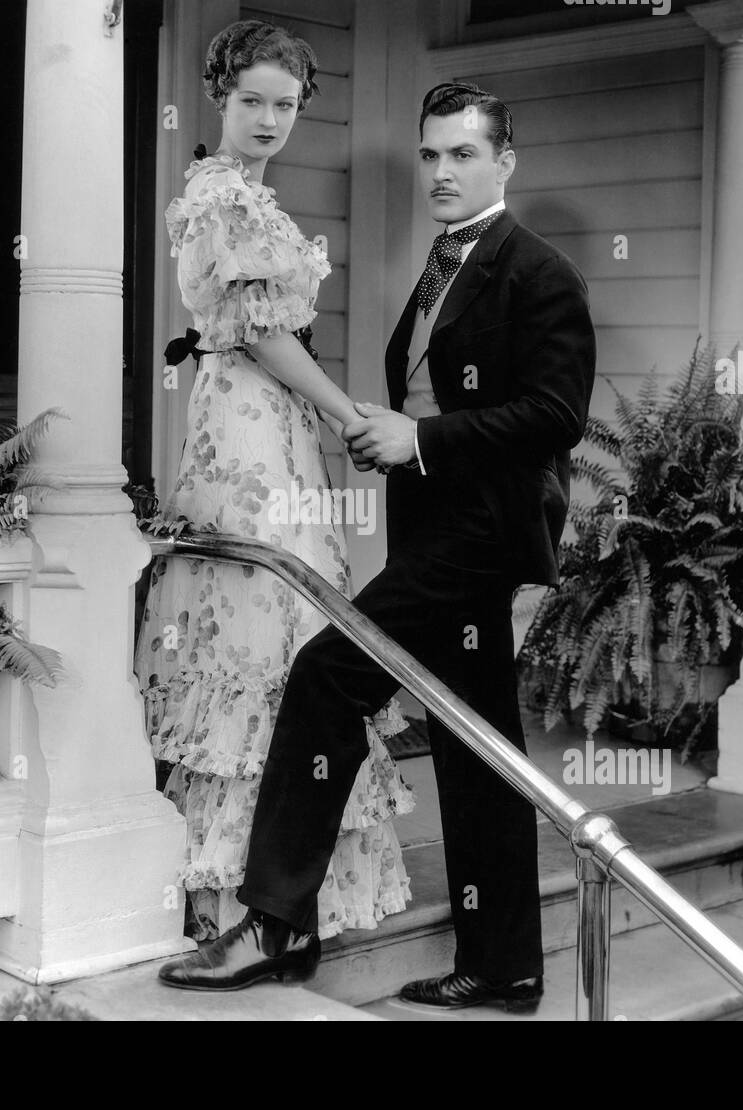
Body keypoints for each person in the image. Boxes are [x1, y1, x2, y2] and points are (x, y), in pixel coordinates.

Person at [158, 81, 597, 1014]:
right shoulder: (444, 263)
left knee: (327, 672)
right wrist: (381, 432)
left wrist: (421, 440)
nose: (441, 172)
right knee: (476, 743)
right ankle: (505, 965)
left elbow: (558, 415)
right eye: (431, 155)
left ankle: (275, 924)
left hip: (477, 542)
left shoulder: (539, 270)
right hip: (434, 532)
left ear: (504, 162)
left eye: (463, 155)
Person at [135, 19, 415, 950]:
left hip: (267, 428)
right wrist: (347, 413)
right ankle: (235, 895)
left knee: (289, 624)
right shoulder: (221, 199)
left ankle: (284, 887)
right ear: (220, 96)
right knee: (261, 624)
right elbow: (257, 330)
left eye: (285, 104)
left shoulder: (251, 197)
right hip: (249, 433)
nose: (268, 119)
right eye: (251, 99)